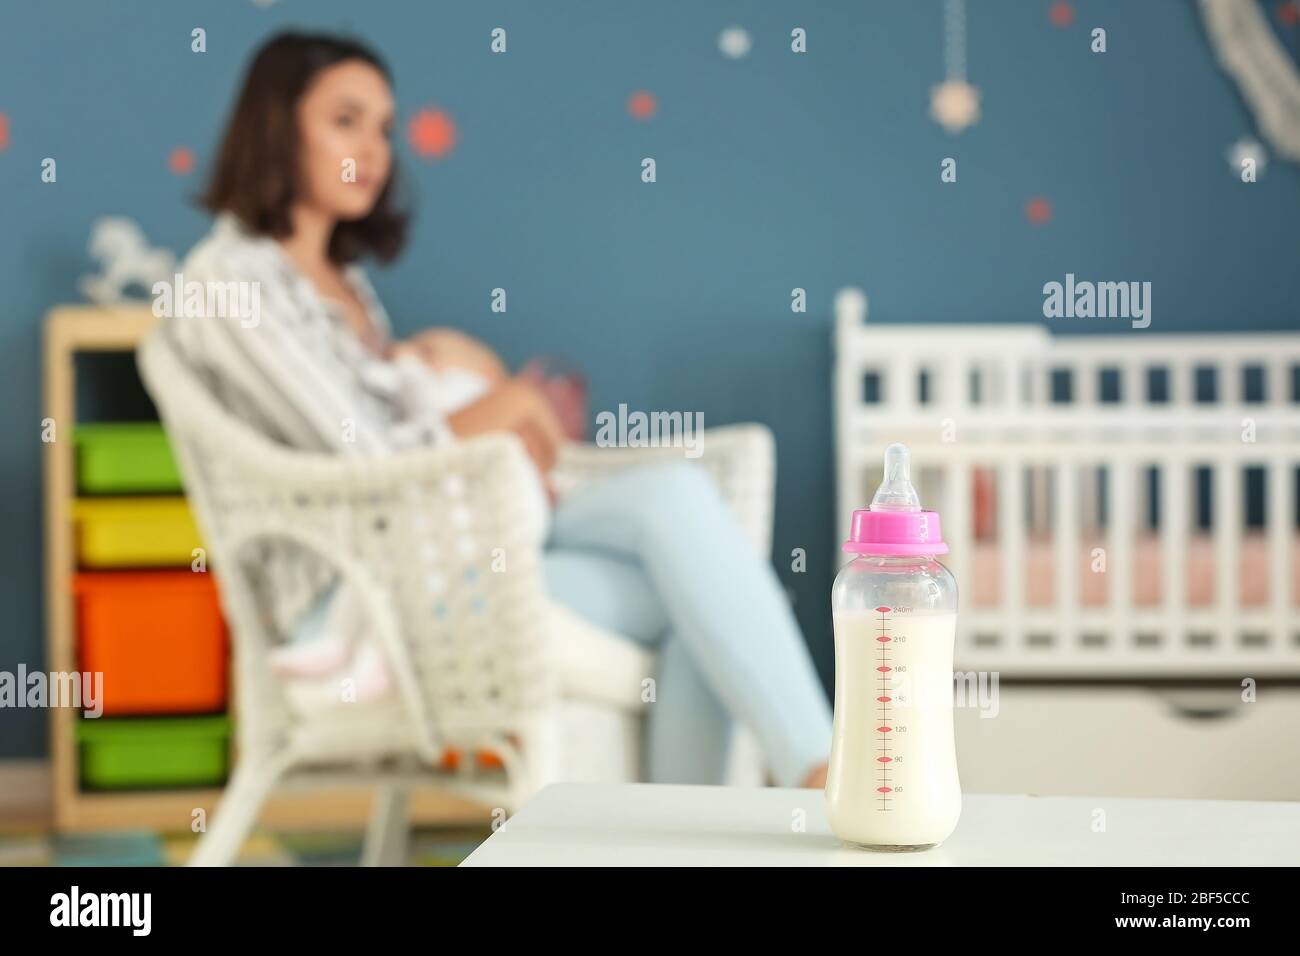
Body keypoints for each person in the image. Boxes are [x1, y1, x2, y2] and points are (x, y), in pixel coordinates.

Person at [165, 30, 831, 789]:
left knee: (685, 521)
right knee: (713, 600)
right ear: (277, 125)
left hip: (455, 548)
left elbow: (401, 423)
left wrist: (475, 379)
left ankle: (738, 810)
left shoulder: (343, 282)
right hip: (366, 600)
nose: (375, 149)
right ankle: (816, 778)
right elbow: (370, 464)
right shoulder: (230, 282)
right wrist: (506, 404)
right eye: (345, 120)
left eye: (384, 127)